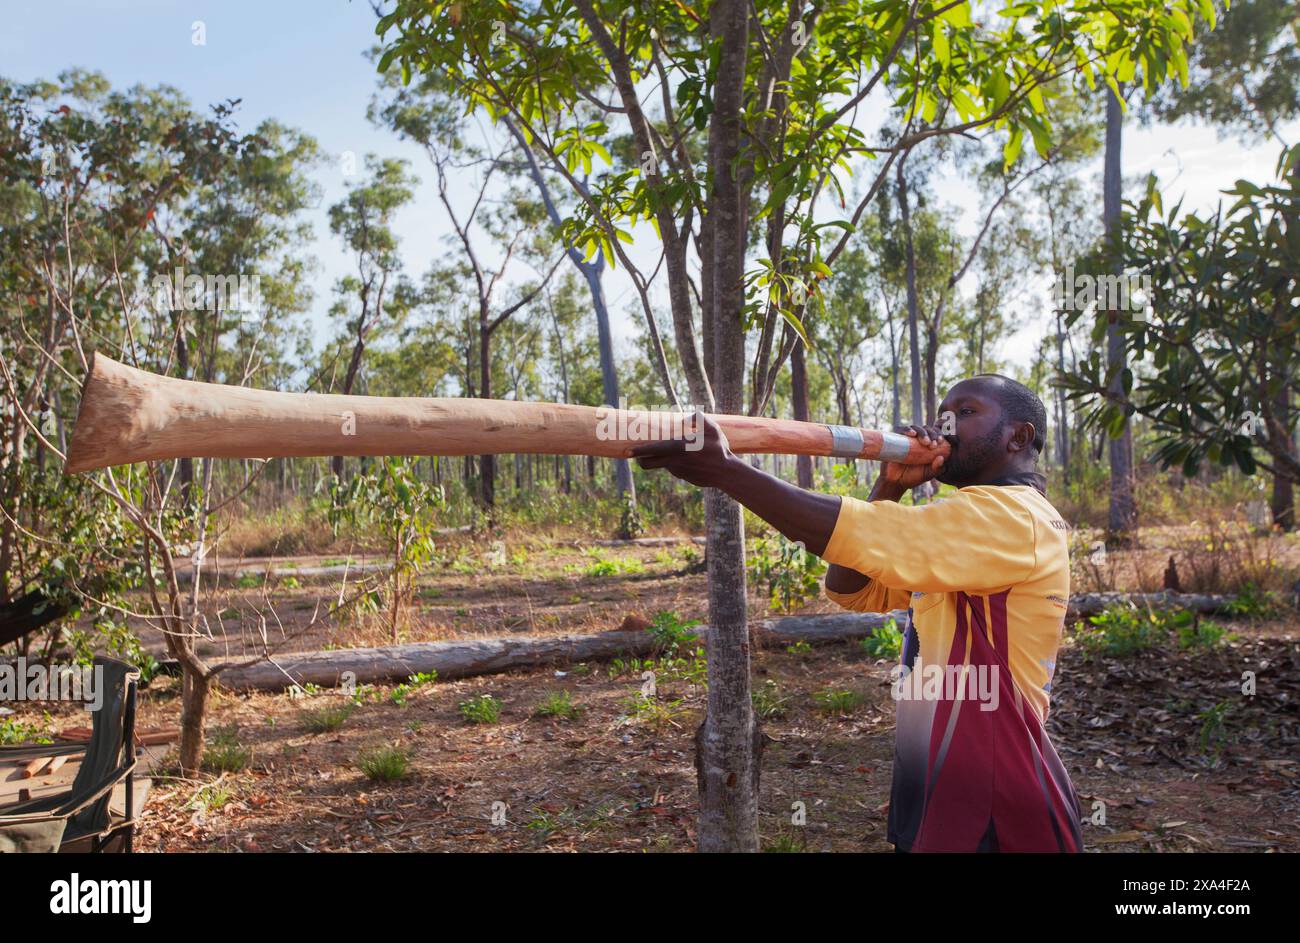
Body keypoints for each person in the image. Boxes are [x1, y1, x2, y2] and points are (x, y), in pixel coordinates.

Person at [632, 374, 1081, 853]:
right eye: (941, 415)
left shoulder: (1016, 516)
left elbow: (860, 533)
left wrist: (728, 471)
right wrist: (889, 487)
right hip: (940, 784)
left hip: (994, 798)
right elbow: (850, 587)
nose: (942, 427)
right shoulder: (974, 522)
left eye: (964, 413)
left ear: (1019, 436)